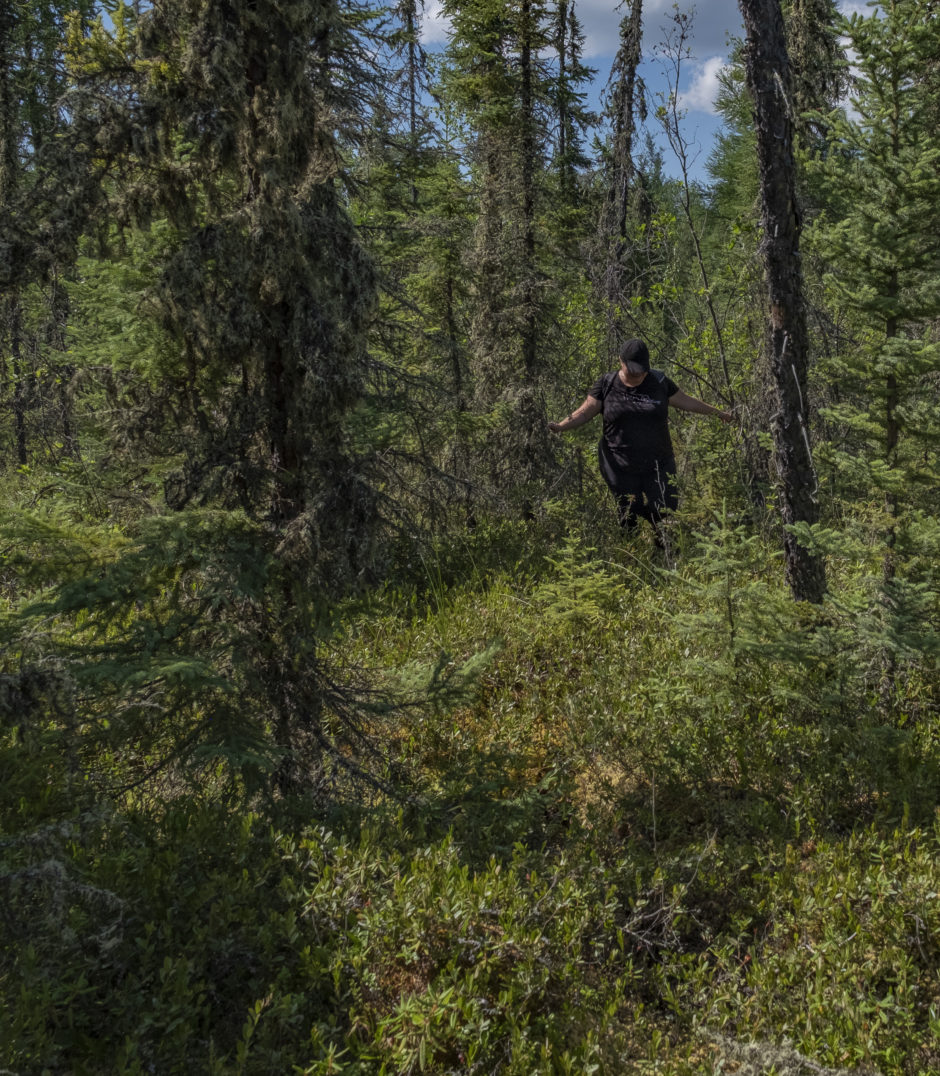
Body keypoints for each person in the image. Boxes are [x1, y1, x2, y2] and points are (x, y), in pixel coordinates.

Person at [548, 338, 732, 540]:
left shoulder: (660, 382)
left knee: (665, 512)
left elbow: (688, 402)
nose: (637, 374)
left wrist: (719, 414)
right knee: (629, 514)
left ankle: (666, 558)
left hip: (659, 462)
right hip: (620, 464)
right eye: (632, 370)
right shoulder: (607, 384)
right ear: (621, 361)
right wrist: (561, 426)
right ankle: (631, 555)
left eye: (642, 370)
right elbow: (585, 412)